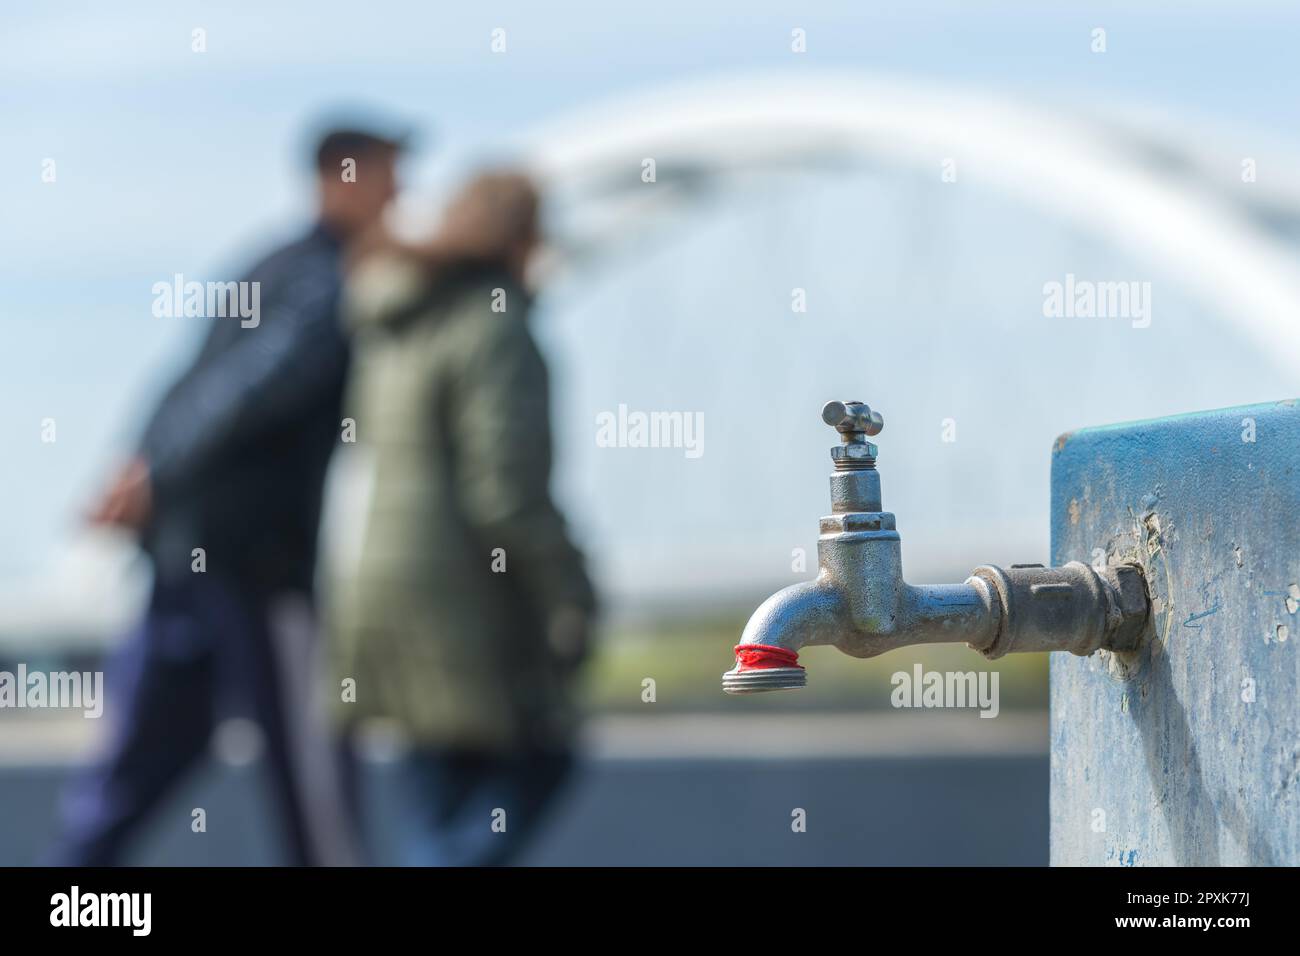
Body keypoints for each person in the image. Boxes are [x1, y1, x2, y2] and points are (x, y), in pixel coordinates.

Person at [48, 122, 408, 866]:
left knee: (129, 777)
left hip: (184, 557)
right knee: (317, 797)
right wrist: (150, 476)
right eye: (389, 174)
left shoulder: (264, 266)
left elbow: (187, 379)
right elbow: (250, 387)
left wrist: (141, 471)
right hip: (258, 568)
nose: (401, 194)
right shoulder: (325, 278)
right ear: (344, 176)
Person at [329, 172, 597, 867]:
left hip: (373, 584)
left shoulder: (396, 319)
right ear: (527, 238)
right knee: (540, 763)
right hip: (464, 597)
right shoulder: (495, 328)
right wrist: (569, 593)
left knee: (437, 786)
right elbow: (505, 495)